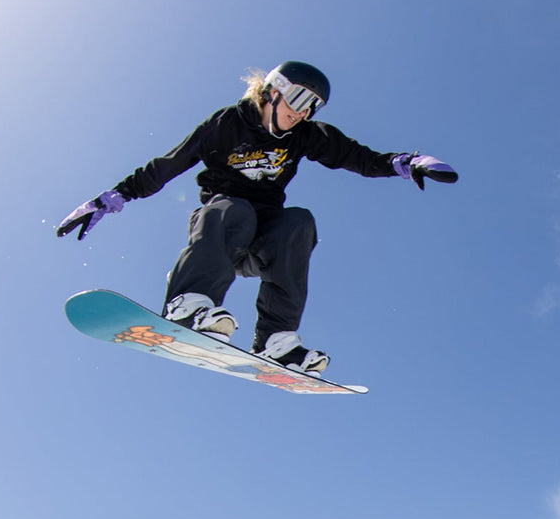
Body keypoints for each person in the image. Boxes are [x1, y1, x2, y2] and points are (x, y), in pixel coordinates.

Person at [57, 61, 457, 373]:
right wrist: (113, 198)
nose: (304, 113)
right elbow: (168, 164)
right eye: (300, 101)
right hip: (221, 230)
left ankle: (276, 340)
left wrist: (406, 163)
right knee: (235, 209)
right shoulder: (226, 124)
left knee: (298, 221)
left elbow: (359, 157)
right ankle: (188, 301)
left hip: (262, 242)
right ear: (272, 92)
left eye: (314, 106)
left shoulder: (307, 136)